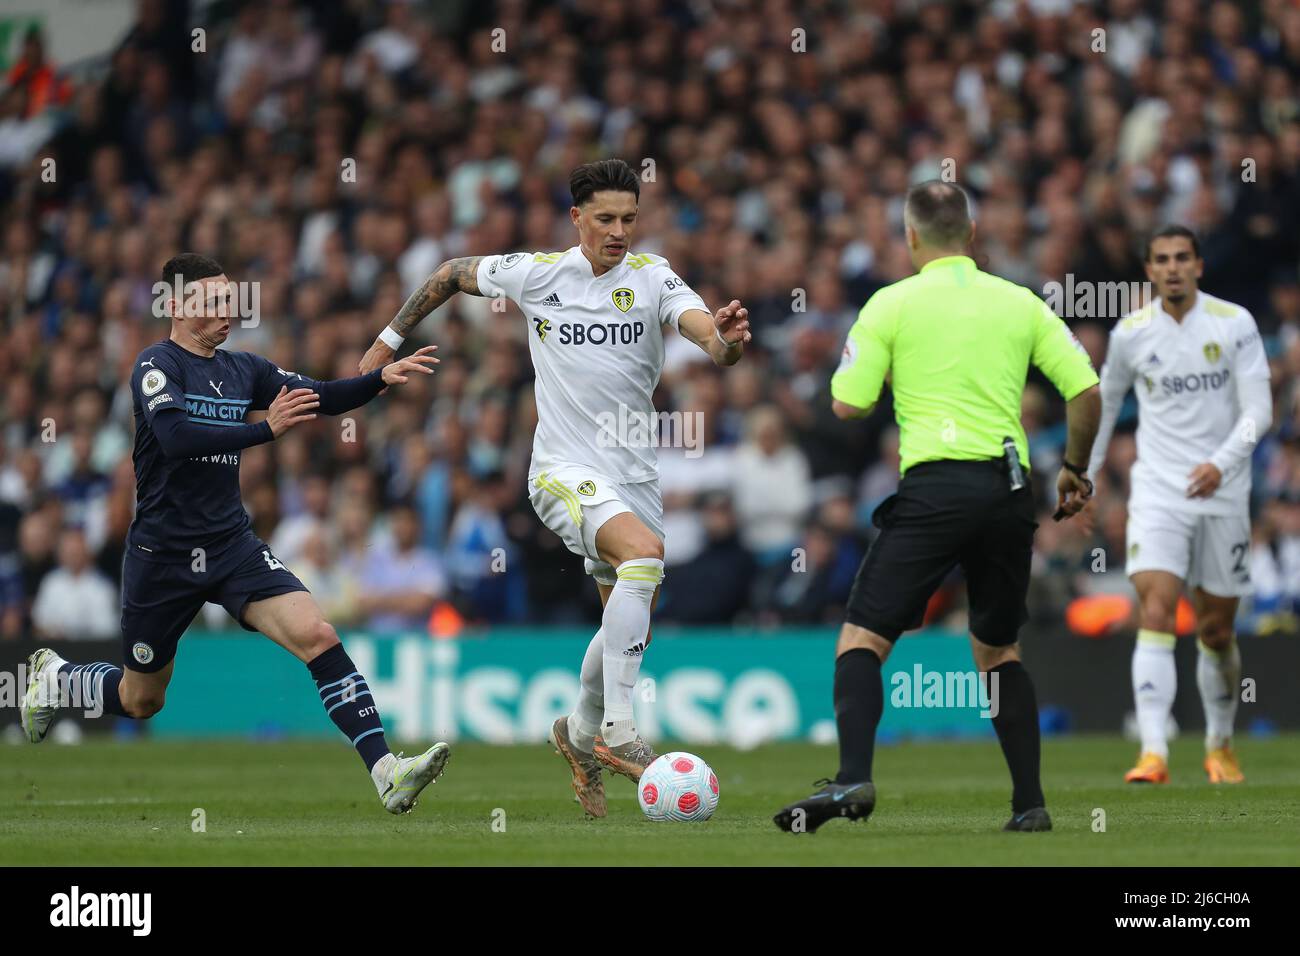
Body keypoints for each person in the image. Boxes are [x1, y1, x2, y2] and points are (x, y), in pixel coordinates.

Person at [359, 158, 751, 817]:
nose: (619, 231)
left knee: (628, 621)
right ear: (577, 219)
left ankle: (577, 730)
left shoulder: (653, 277)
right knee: (645, 556)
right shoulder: (539, 274)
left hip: (634, 476)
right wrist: (384, 344)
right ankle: (619, 729)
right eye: (605, 219)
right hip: (561, 470)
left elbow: (710, 339)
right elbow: (449, 273)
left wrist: (729, 342)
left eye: (629, 219)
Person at [21, 254, 449, 815]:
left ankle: (386, 771)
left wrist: (376, 380)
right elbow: (175, 437)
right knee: (141, 699)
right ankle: (58, 679)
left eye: (230, 299)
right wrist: (264, 430)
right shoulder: (156, 365)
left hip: (230, 545)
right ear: (177, 306)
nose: (229, 310)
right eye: (214, 301)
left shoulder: (245, 369)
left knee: (318, 634)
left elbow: (321, 394)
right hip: (162, 555)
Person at [773, 181, 1102, 834]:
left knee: (862, 638)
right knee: (998, 650)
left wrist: (887, 370)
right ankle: (1030, 805)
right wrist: (1074, 469)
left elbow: (847, 405)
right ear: (972, 234)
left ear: (910, 237)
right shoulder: (1019, 301)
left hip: (935, 489)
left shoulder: (889, 304)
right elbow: (1086, 391)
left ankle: (853, 777)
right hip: (1010, 489)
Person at [1086, 225, 1271, 785]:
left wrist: (1221, 463)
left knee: (1216, 630)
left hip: (1222, 492)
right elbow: (1106, 403)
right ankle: (1153, 751)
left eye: (1182, 258)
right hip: (1158, 491)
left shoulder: (1234, 323)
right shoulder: (1130, 333)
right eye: (1162, 259)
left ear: (1198, 266)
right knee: (1156, 610)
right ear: (1149, 270)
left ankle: (1219, 744)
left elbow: (1259, 412)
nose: (1172, 268)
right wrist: (1086, 476)